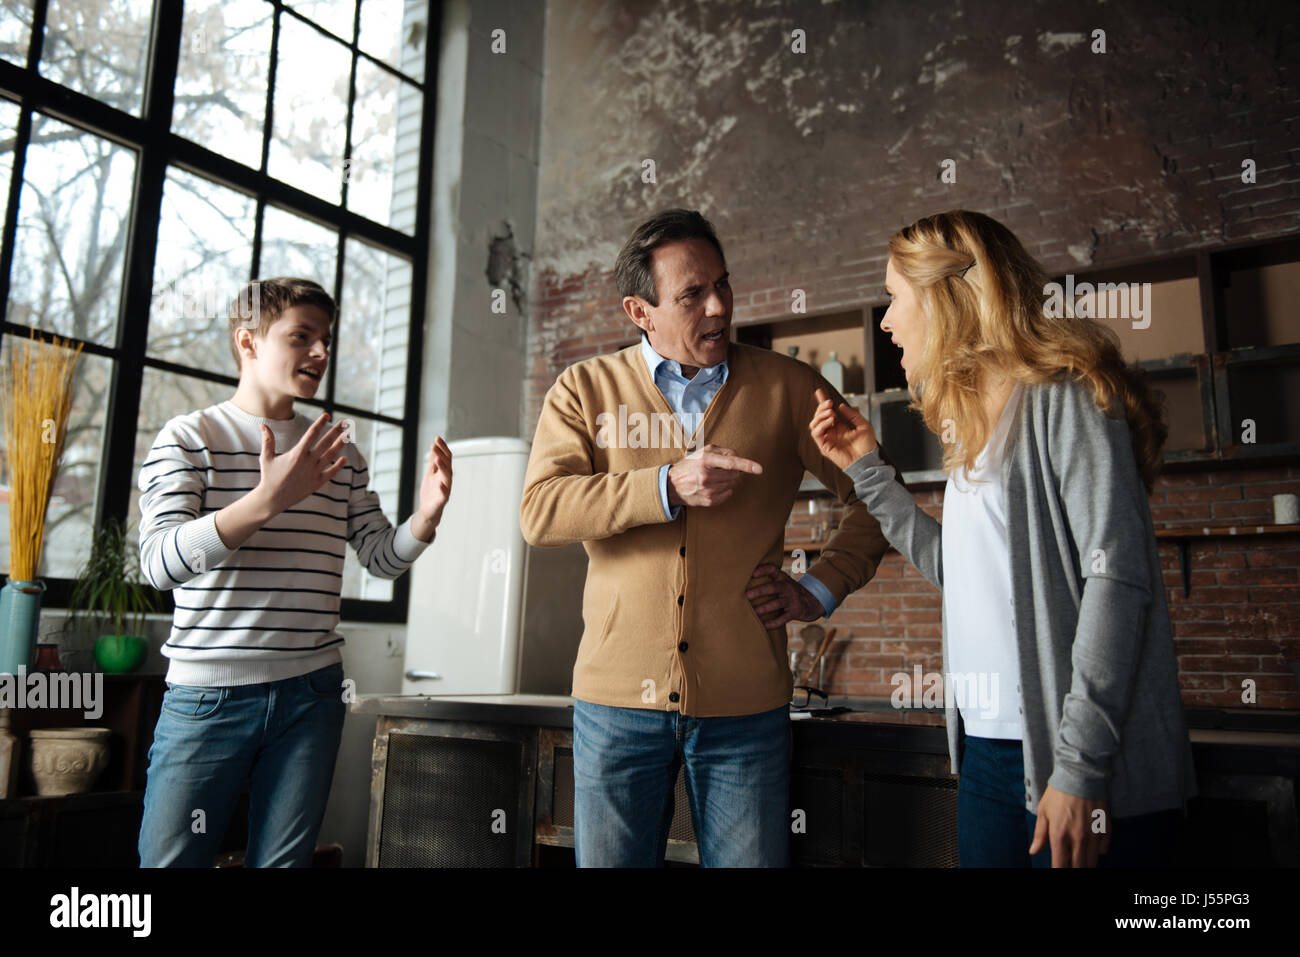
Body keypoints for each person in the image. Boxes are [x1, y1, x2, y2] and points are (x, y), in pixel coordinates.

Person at [809, 210, 1196, 867]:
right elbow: (961, 575)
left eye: (896, 299)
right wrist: (867, 470)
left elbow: (1117, 578)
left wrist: (1078, 766)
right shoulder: (968, 425)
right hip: (988, 751)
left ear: (946, 297)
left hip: (1076, 756)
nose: (886, 321)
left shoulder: (1063, 397)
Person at [520, 208, 894, 867]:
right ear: (641, 310)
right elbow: (541, 512)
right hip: (614, 703)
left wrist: (819, 587)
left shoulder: (788, 388)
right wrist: (664, 485)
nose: (719, 306)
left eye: (723, 284)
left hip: (745, 708)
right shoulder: (583, 389)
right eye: (693, 294)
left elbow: (877, 492)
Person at [136, 277, 452, 867]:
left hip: (312, 693)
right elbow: (157, 564)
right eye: (301, 337)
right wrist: (266, 500)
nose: (320, 353)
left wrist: (425, 519)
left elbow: (380, 557)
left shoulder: (339, 453)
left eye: (325, 339)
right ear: (248, 342)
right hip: (208, 693)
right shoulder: (188, 439)